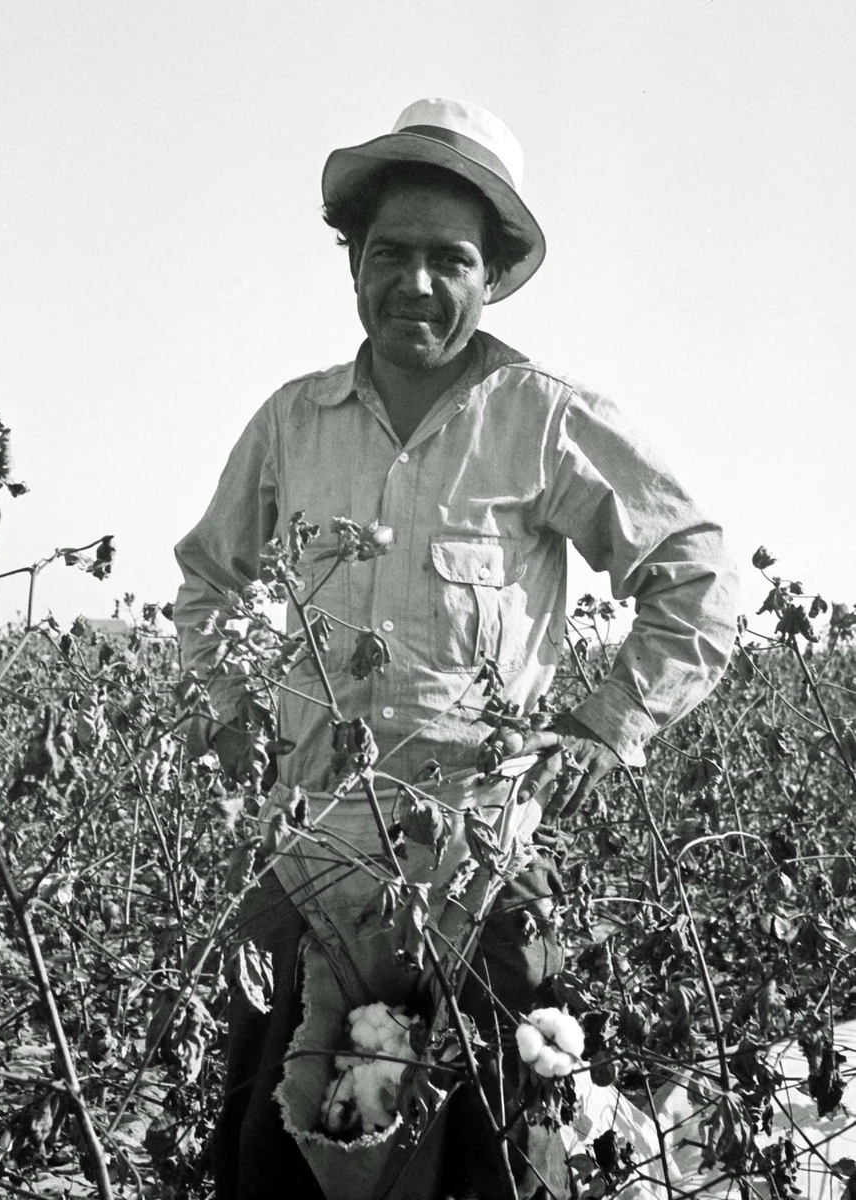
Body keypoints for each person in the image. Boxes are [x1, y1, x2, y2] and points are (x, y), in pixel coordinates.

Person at [173, 97, 739, 1199]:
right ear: (353, 265)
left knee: (497, 1167)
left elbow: (698, 575)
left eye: (450, 259)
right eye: (392, 254)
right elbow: (207, 578)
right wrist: (228, 711)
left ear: (491, 277)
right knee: (269, 1162)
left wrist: (598, 727)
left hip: (476, 876)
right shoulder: (295, 422)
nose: (417, 283)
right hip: (317, 872)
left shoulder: (544, 419)